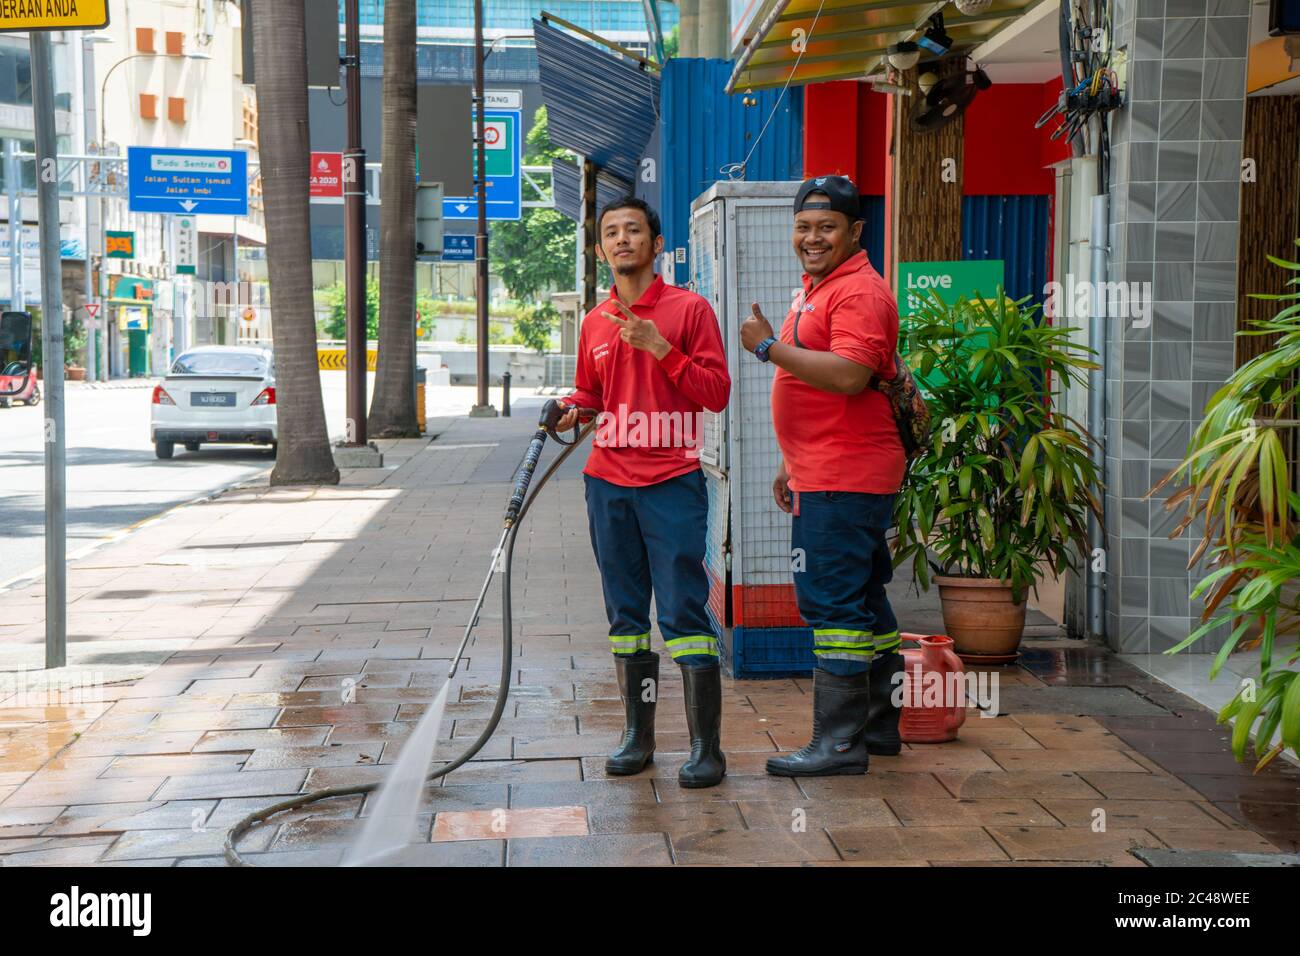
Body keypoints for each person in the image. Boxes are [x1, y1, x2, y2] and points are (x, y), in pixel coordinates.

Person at [557, 196, 731, 788]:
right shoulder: (593, 322)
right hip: (608, 484)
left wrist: (661, 347)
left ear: (657, 245)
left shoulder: (689, 311)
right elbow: (591, 397)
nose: (622, 239)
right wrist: (568, 411)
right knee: (626, 615)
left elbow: (716, 391)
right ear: (600, 248)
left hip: (672, 483)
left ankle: (707, 748)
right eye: (612, 233)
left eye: (634, 230)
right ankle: (639, 735)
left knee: (683, 609)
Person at [739, 175, 906, 776]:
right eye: (804, 226)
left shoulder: (859, 291)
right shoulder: (821, 286)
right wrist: (792, 459)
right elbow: (820, 382)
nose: (812, 237)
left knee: (832, 606)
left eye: (826, 227)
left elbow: (848, 377)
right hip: (831, 470)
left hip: (846, 475)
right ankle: (879, 728)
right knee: (864, 599)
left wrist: (767, 349)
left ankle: (837, 744)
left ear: (855, 232)